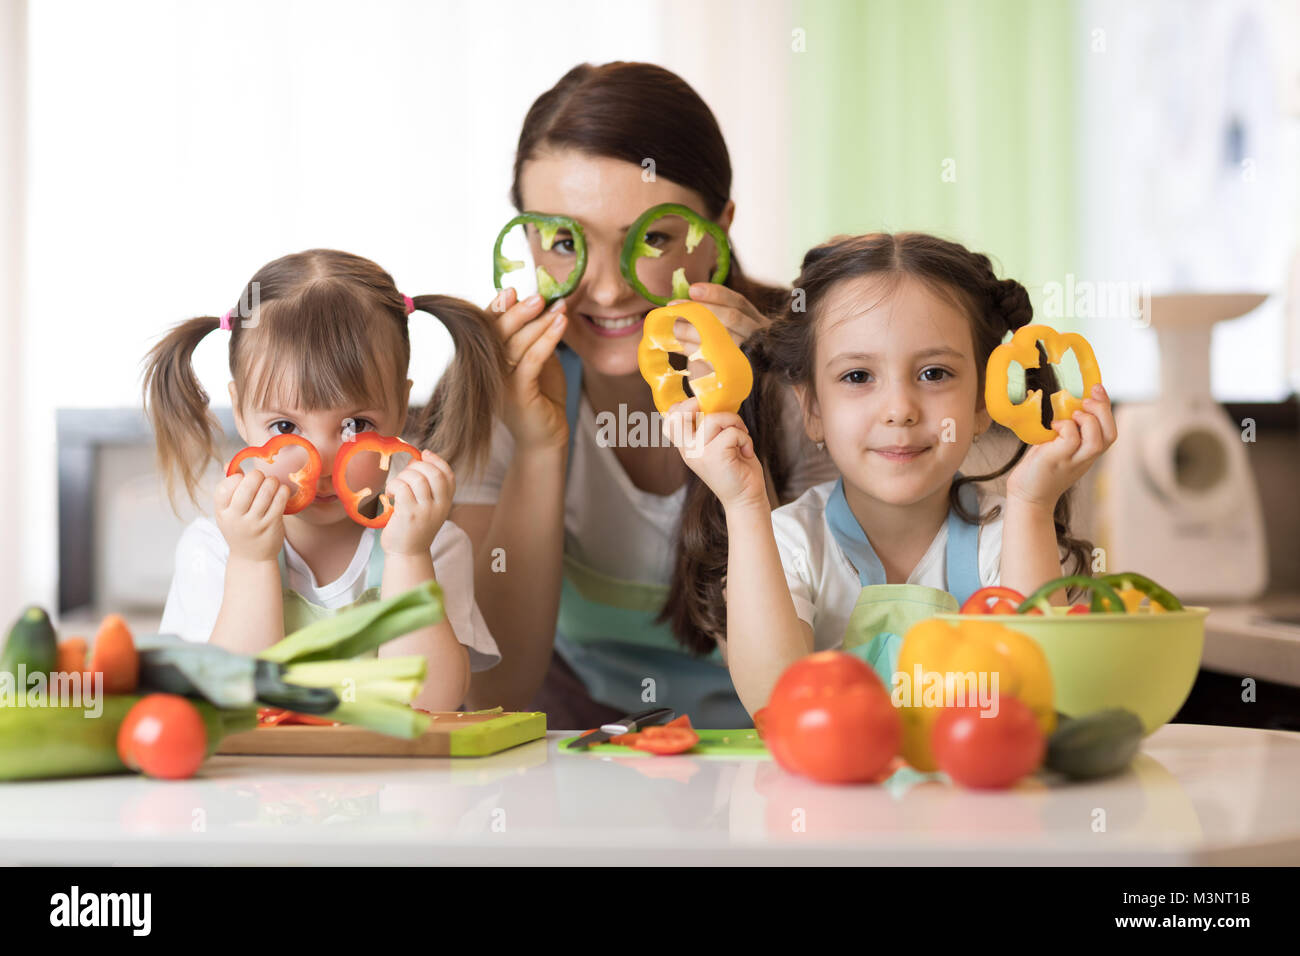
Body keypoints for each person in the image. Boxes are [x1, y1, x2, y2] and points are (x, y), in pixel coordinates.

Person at [451, 62, 838, 727]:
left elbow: (811, 680)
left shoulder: (809, 387)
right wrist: (540, 448)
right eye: (563, 240)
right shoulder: (488, 393)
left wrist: (734, 410)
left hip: (773, 747)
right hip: (570, 743)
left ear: (721, 226)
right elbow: (495, 691)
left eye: (653, 238)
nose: (603, 290)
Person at [663, 232, 1116, 714]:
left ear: (984, 401)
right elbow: (776, 703)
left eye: (934, 374)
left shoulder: (1014, 538)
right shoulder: (786, 544)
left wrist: (1033, 503)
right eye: (858, 377)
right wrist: (743, 503)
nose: (899, 410)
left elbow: (1036, 696)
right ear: (812, 408)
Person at [144, 249, 504, 711]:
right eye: (285, 427)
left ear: (399, 408)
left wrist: (408, 557)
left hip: (395, 782)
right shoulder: (212, 549)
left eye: (355, 424)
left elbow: (430, 706)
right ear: (239, 413)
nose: (322, 462)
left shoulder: (435, 545)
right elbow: (231, 703)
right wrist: (252, 563)